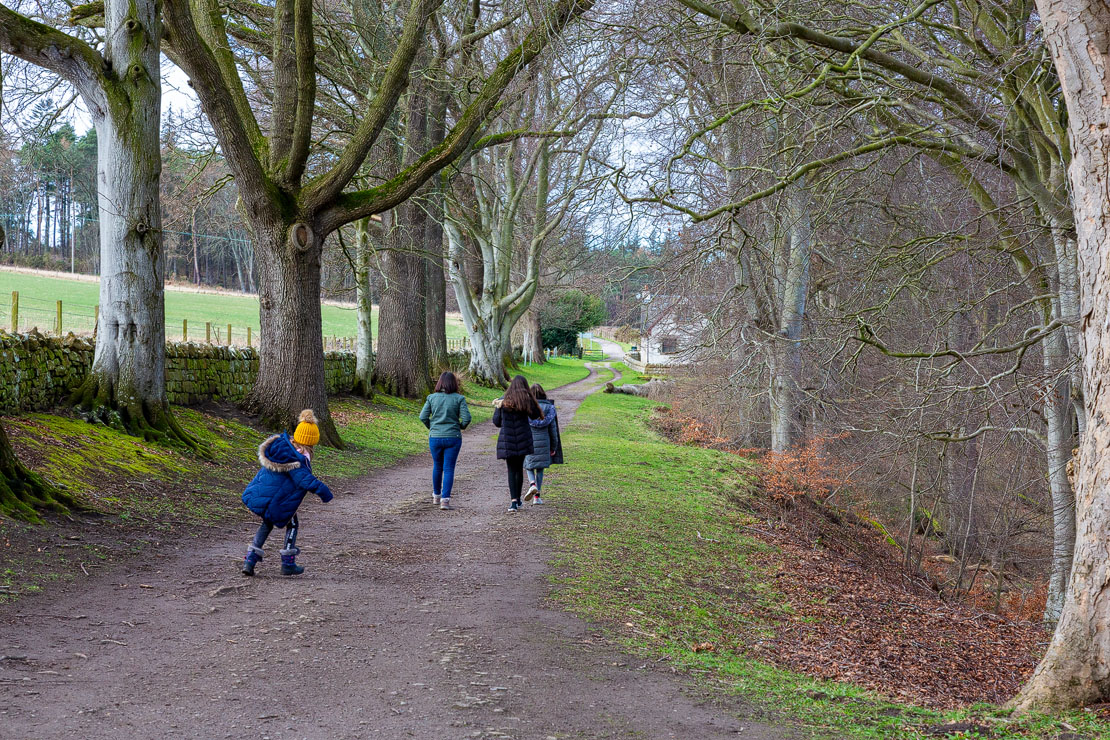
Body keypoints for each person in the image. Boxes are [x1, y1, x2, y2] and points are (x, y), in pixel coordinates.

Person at [240, 409, 333, 576]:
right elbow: (305, 480)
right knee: (293, 524)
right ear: (311, 442)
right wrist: (324, 492)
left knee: (266, 524)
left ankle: (250, 560)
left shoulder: (282, 447)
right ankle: (287, 563)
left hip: (263, 497)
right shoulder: (298, 459)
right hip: (278, 501)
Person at [419, 371, 472, 510]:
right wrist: (460, 427)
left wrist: (432, 427)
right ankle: (445, 500)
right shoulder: (459, 398)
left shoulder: (431, 398)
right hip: (453, 437)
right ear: (454, 383)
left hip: (435, 437)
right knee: (449, 468)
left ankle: (436, 496)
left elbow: (422, 416)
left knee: (437, 466)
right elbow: (467, 418)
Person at [492, 375, 542, 513]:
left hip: (507, 440)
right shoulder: (526, 400)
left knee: (511, 470)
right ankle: (518, 500)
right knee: (519, 469)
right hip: (522, 439)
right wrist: (531, 399)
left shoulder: (502, 401)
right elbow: (536, 415)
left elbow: (496, 422)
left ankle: (514, 501)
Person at [524, 384, 563, 505]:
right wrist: (554, 446)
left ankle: (532, 484)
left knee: (529, 466)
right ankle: (537, 497)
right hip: (544, 442)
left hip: (529, 441)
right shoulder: (550, 408)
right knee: (540, 469)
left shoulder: (526, 407)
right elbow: (553, 430)